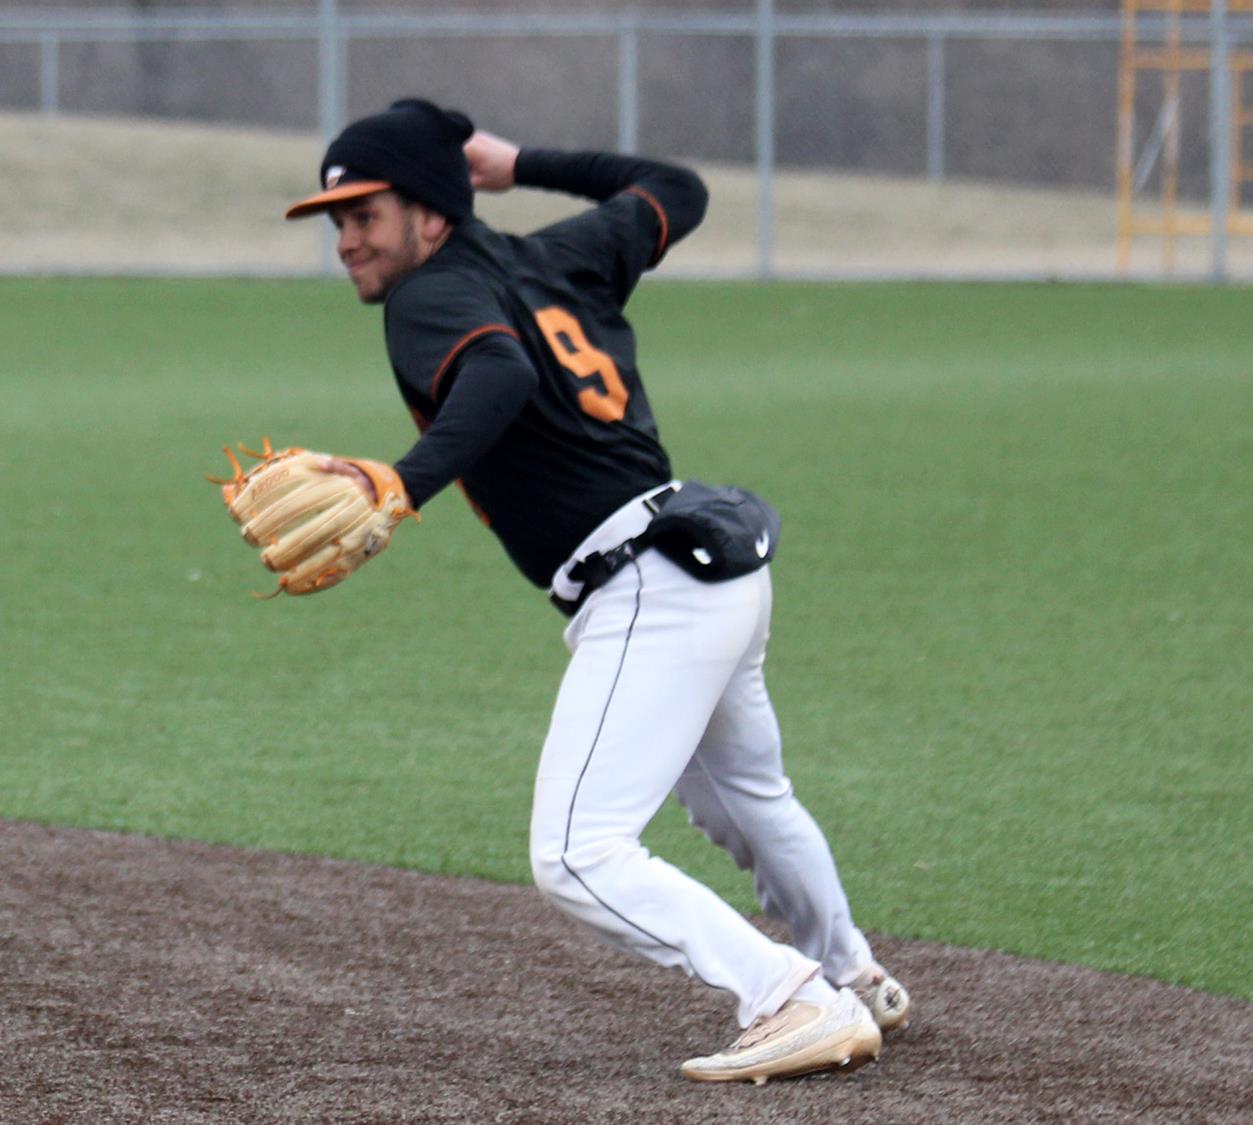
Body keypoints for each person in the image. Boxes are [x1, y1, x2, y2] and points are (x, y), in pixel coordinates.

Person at [280, 98, 909, 1084]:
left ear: (432, 212)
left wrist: (405, 482)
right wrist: (520, 160)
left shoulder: (429, 296)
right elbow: (677, 191)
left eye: (366, 214)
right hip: (706, 567)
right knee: (746, 798)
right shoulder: (554, 258)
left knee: (575, 853)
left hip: (647, 592)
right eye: (336, 220)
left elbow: (494, 373)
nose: (346, 240)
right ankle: (850, 971)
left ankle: (787, 997)